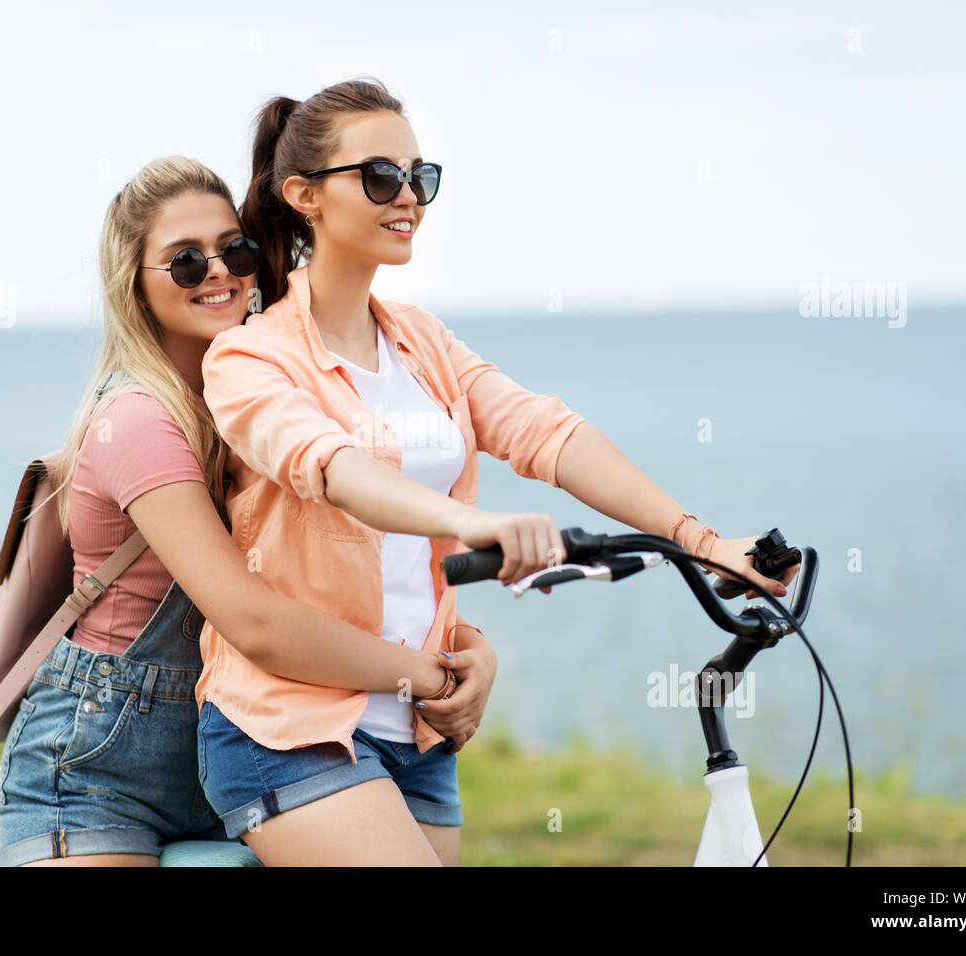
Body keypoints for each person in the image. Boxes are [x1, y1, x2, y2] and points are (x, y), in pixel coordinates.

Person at [195, 77, 800, 867]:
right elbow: (331, 467)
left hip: (420, 725)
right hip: (292, 730)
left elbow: (545, 433)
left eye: (422, 176)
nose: (408, 194)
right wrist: (470, 523)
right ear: (305, 194)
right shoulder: (249, 357)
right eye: (382, 176)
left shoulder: (420, 342)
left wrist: (704, 539)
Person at [0, 154, 490, 867]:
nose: (219, 271)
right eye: (185, 262)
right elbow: (253, 619)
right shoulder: (139, 419)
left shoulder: (266, 399)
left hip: (234, 740)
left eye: (236, 250)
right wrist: (429, 677)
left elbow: (352, 573)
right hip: (98, 771)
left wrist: (472, 650)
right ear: (134, 282)